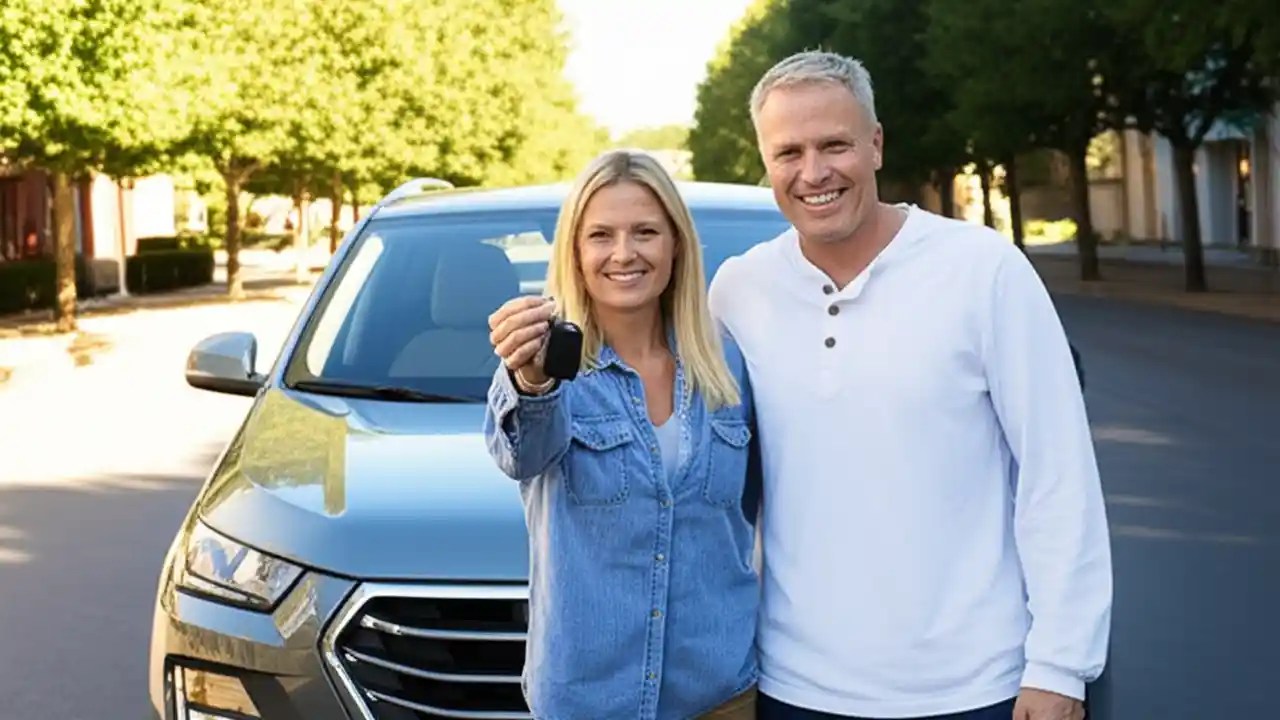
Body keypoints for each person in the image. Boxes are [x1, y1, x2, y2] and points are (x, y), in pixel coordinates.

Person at [707, 50, 1112, 720]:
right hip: (793, 689)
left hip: (979, 690)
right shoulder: (738, 291)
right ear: (765, 160)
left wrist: (1062, 666)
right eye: (789, 152)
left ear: (875, 144)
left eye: (835, 144)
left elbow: (1057, 474)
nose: (813, 172)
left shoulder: (983, 271)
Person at [484, 149, 761, 720]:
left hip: (720, 697)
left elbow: (762, 512)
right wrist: (531, 381)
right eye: (601, 235)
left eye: (645, 232)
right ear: (576, 251)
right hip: (588, 702)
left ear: (676, 244)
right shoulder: (544, 366)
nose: (624, 253)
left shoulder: (729, 363)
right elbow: (522, 454)